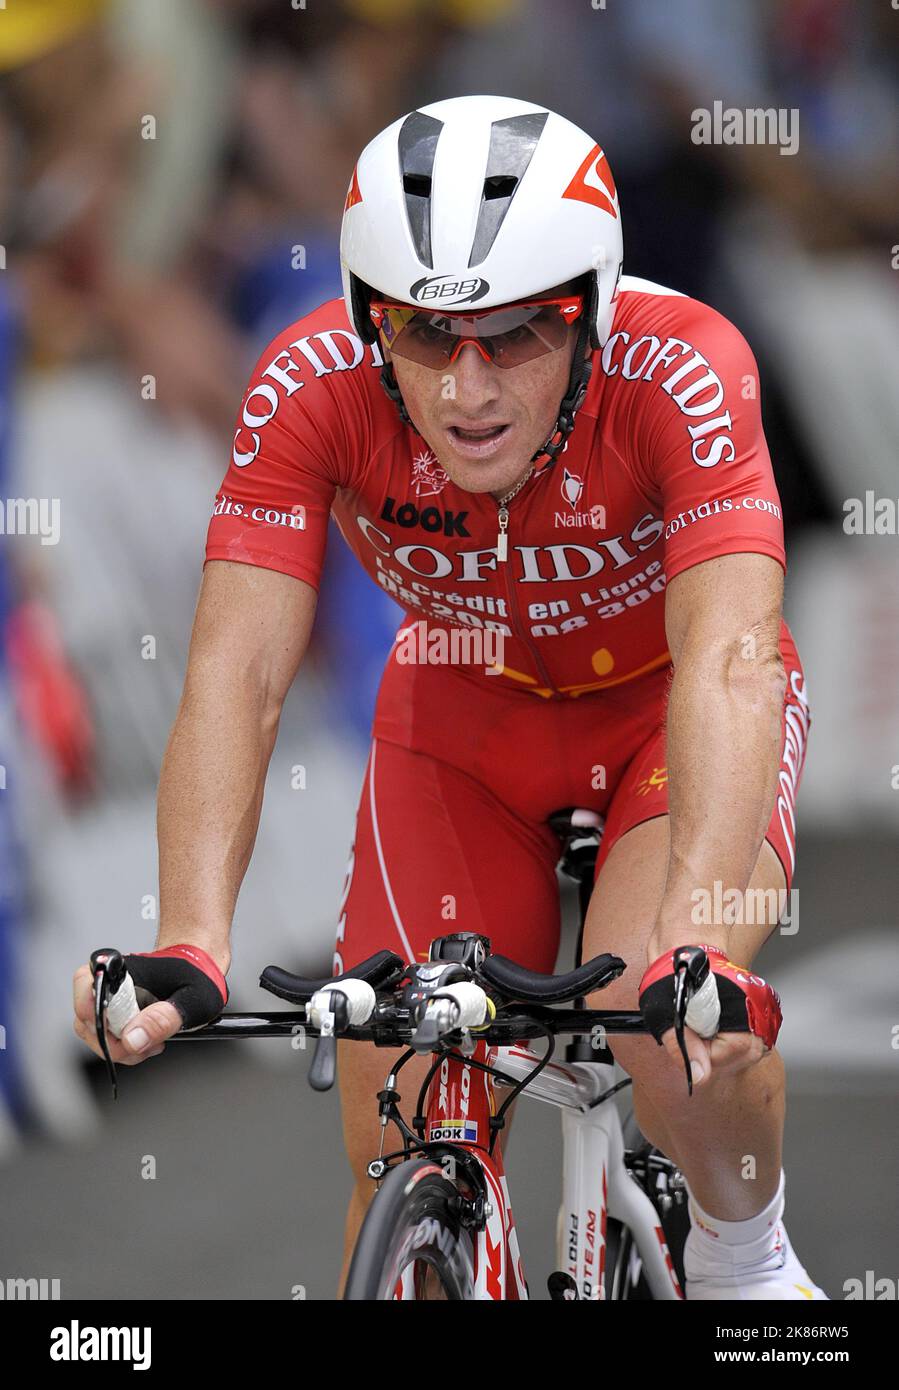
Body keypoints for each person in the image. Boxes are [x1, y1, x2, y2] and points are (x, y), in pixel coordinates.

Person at [73, 95, 826, 1300]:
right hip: (460, 725)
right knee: (406, 1124)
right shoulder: (309, 384)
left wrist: (695, 939)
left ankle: (749, 1264)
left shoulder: (684, 367)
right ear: (370, 316)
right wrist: (192, 936)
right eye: (424, 332)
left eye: (519, 331)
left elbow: (733, 653)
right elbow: (238, 670)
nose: (467, 387)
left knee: (676, 1030)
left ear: (596, 306)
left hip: (666, 718)